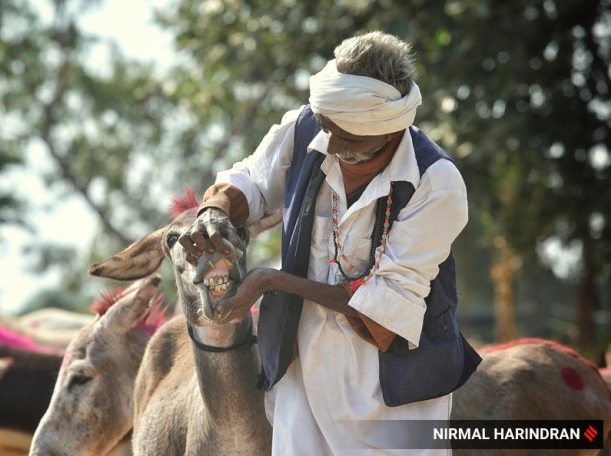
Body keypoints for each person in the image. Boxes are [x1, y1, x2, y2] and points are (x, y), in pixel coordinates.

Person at [181, 31, 481, 455]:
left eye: (351, 140)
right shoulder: (307, 128)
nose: (331, 146)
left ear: (391, 130)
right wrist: (213, 212)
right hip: (302, 380)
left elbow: (381, 314)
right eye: (327, 129)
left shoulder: (437, 182)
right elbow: (249, 180)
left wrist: (272, 281)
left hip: (394, 400)